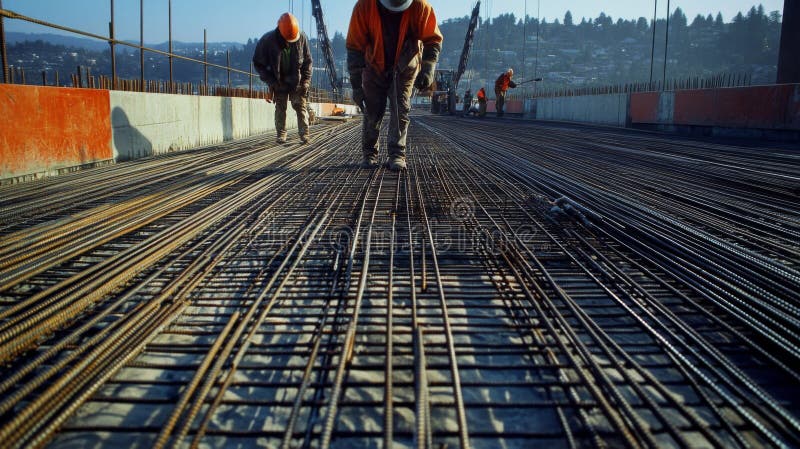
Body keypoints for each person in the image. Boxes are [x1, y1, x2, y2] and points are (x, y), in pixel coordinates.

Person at [347, 0, 443, 170]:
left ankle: (397, 155)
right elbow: (355, 48)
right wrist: (356, 86)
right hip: (374, 66)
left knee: (401, 108)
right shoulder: (364, 6)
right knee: (372, 110)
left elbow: (433, 40)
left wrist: (428, 68)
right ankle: (369, 154)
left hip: (405, 66)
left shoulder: (420, 7)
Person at [253, 13, 313, 144]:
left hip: (296, 80)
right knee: (281, 107)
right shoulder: (267, 41)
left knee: (300, 106)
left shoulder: (301, 38)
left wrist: (306, 81)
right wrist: (271, 81)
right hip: (278, 81)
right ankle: (281, 134)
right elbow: (259, 64)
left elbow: (307, 62)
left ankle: (304, 134)